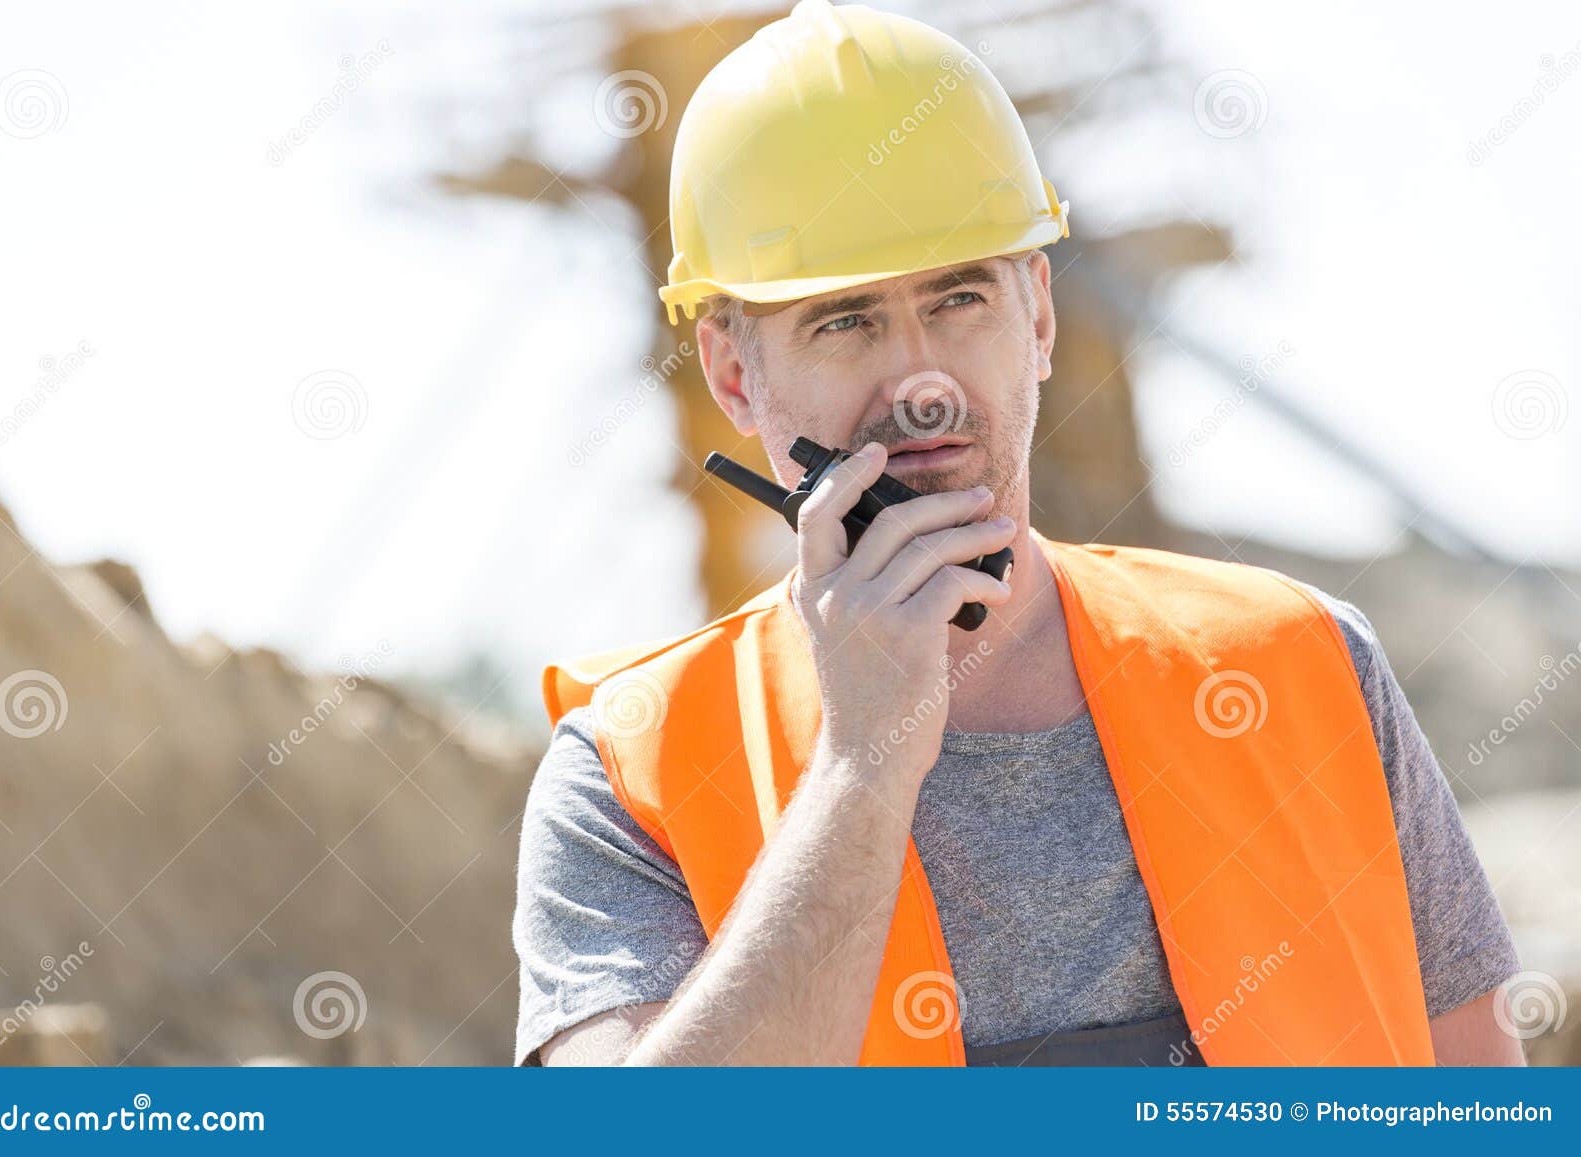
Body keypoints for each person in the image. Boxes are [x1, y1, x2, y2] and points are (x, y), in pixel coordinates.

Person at [513, 0, 1523, 1066]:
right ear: (730, 373)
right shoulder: (632, 774)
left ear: (1037, 316)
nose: (925, 382)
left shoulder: (1309, 663)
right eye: (846, 318)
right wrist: (862, 764)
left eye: (959, 298)